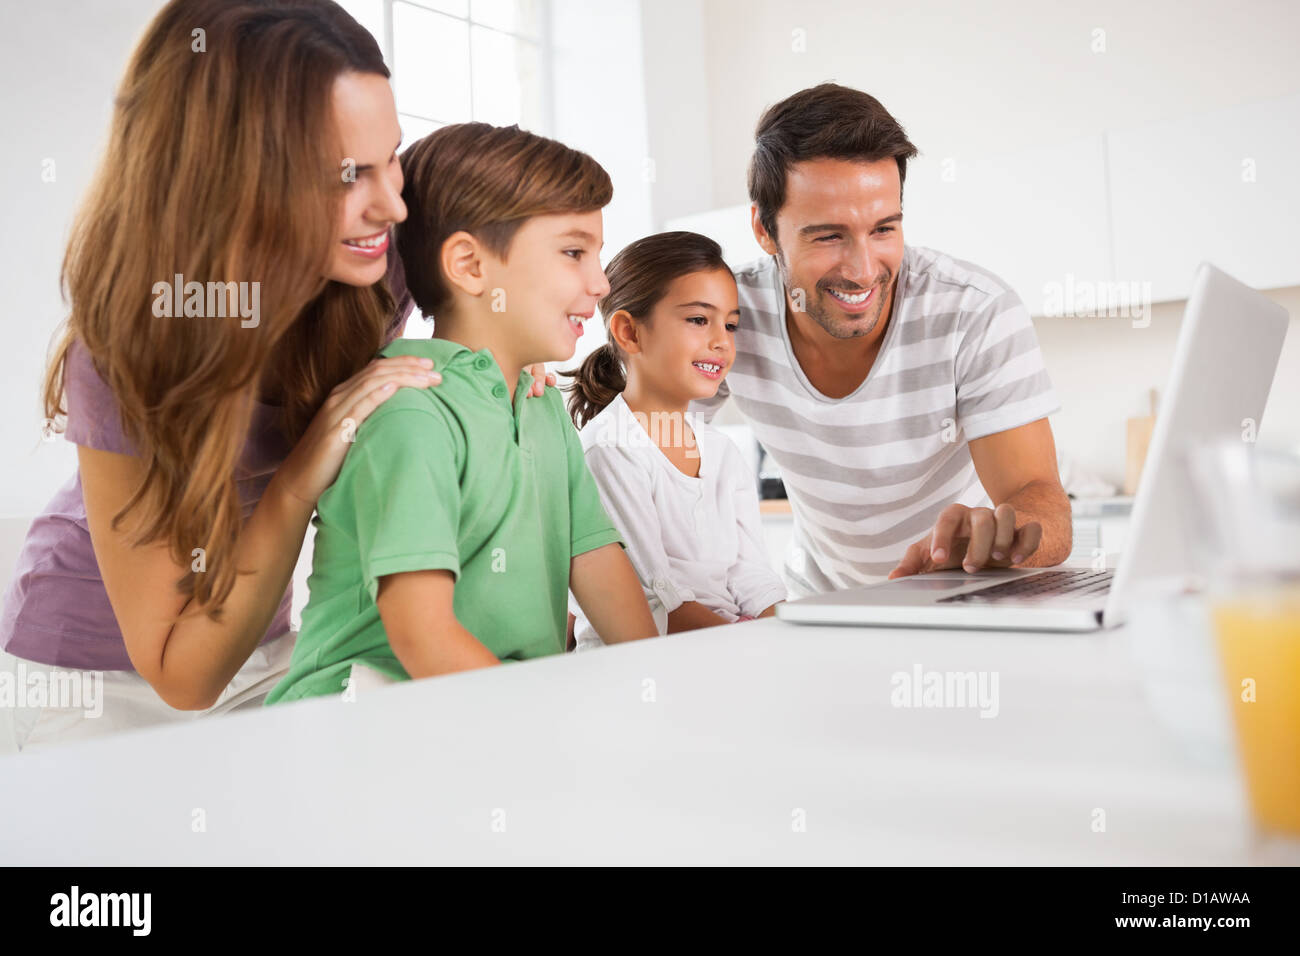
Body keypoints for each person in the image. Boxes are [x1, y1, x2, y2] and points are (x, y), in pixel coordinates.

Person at [0, 0, 553, 751]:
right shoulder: (124, 352)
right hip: (100, 676)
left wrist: (509, 366)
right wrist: (299, 476)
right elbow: (181, 676)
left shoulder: (372, 264)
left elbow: (495, 285)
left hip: (264, 640)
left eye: (391, 155)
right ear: (231, 180)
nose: (391, 203)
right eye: (345, 176)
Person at [265, 122, 659, 703]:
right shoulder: (410, 411)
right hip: (360, 728)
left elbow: (595, 561)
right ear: (471, 267)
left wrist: (659, 687)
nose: (600, 282)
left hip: (481, 716)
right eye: (574, 252)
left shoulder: (541, 403)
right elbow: (424, 637)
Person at [687, 83, 1072, 598]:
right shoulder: (729, 314)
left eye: (884, 229)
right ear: (763, 228)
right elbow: (642, 434)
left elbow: (1040, 498)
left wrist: (1001, 540)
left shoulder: (973, 310)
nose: (863, 270)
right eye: (828, 235)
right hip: (822, 605)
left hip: (963, 598)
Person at [561, 232, 786, 648]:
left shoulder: (722, 453)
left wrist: (789, 633)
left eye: (730, 324)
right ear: (629, 332)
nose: (721, 340)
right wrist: (756, 647)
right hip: (646, 664)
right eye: (699, 320)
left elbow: (752, 575)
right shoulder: (609, 450)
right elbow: (655, 599)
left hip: (726, 651)